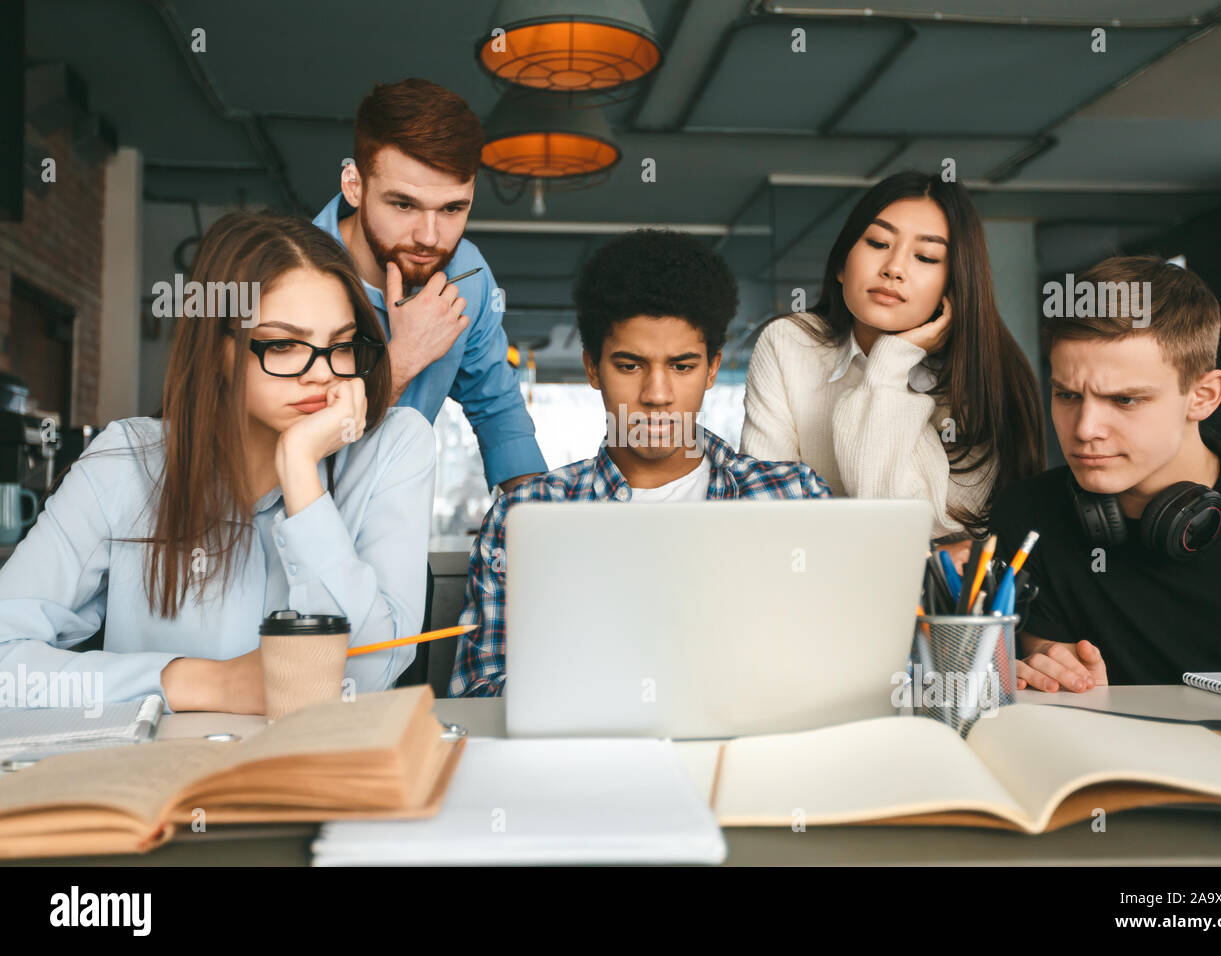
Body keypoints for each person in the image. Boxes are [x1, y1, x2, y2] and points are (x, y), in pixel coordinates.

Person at [0, 212, 437, 714]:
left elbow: (368, 674)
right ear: (216, 350)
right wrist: (202, 683)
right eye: (285, 344)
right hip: (159, 781)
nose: (322, 375)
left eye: (340, 345)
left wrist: (300, 473)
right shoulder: (124, 463)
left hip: (312, 772)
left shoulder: (394, 447)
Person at [449, 229, 832, 696]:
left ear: (713, 369)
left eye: (682, 366)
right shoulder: (525, 517)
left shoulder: (791, 499)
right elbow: (476, 693)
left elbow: (833, 668)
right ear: (593, 368)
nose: (656, 395)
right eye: (630, 366)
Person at [988, 255, 1221, 690]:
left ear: (1203, 396)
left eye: (1125, 400)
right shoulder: (1028, 516)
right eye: (1067, 395)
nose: (1084, 430)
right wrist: (1048, 667)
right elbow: (1049, 671)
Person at [741, 170, 1044, 550]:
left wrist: (889, 366)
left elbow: (900, 527)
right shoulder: (789, 343)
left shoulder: (984, 376)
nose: (894, 268)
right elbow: (766, 513)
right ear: (841, 263)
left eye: (926, 256)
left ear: (953, 286)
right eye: (878, 242)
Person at [313, 78, 546, 494]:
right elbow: (287, 452)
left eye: (453, 208)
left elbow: (497, 410)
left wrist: (539, 524)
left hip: (401, 536)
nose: (430, 237)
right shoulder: (288, 275)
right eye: (403, 204)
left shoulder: (468, 274)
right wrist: (402, 360)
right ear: (355, 185)